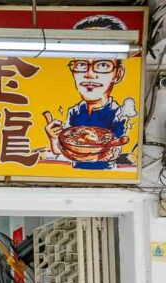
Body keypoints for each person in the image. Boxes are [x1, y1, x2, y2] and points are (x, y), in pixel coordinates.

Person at [43, 15, 134, 171]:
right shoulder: (74, 111)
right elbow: (60, 151)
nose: (89, 74)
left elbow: (117, 149)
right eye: (81, 64)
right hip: (72, 173)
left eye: (103, 65)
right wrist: (54, 138)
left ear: (118, 74)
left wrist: (108, 153)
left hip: (108, 175)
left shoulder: (118, 114)